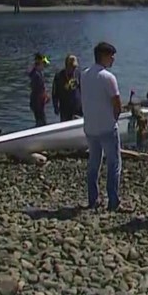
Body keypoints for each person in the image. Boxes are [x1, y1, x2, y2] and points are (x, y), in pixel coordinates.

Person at [83, 41, 123, 211]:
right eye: (111, 56)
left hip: (90, 126)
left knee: (94, 164)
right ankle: (113, 201)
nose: (113, 59)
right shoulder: (108, 77)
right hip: (106, 126)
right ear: (104, 57)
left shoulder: (84, 74)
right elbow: (117, 104)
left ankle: (93, 199)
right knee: (114, 164)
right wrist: (114, 119)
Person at [52, 55, 82, 122]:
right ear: (67, 66)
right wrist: (55, 106)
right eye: (72, 67)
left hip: (78, 108)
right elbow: (54, 93)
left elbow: (83, 90)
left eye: (75, 67)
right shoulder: (59, 76)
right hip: (65, 108)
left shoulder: (78, 73)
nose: (74, 69)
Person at [28, 53, 49, 127]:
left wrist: (45, 95)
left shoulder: (39, 73)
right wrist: (43, 96)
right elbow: (37, 89)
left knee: (42, 120)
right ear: (39, 63)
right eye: (43, 64)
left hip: (39, 101)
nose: (44, 66)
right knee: (41, 121)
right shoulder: (36, 75)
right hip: (37, 102)